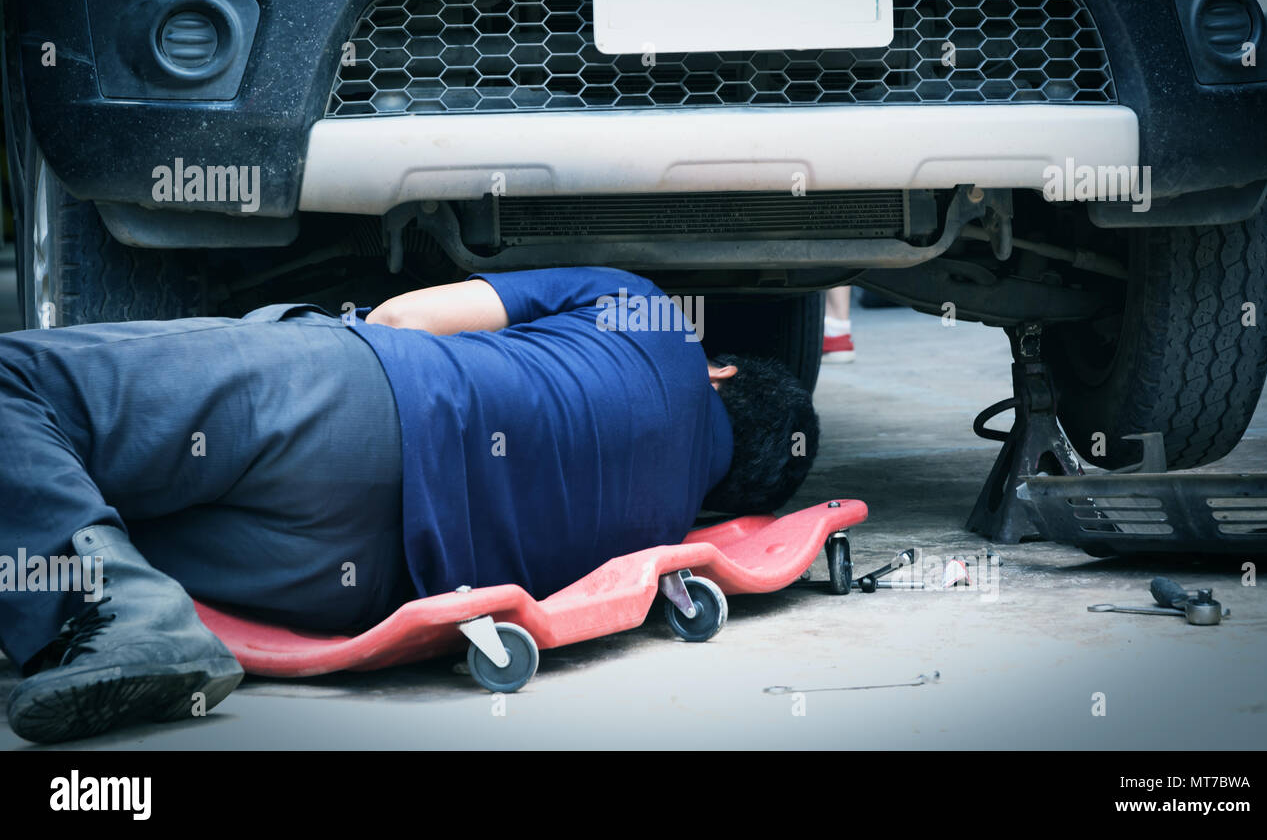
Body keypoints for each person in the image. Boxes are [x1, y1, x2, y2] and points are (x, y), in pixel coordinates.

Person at [0, 266, 819, 743]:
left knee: (20, 384)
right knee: (77, 499)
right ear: (731, 501)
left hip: (362, 404)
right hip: (349, 580)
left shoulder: (653, 317)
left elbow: (407, 317)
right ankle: (119, 606)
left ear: (724, 373)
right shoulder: (669, 524)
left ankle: (123, 612)